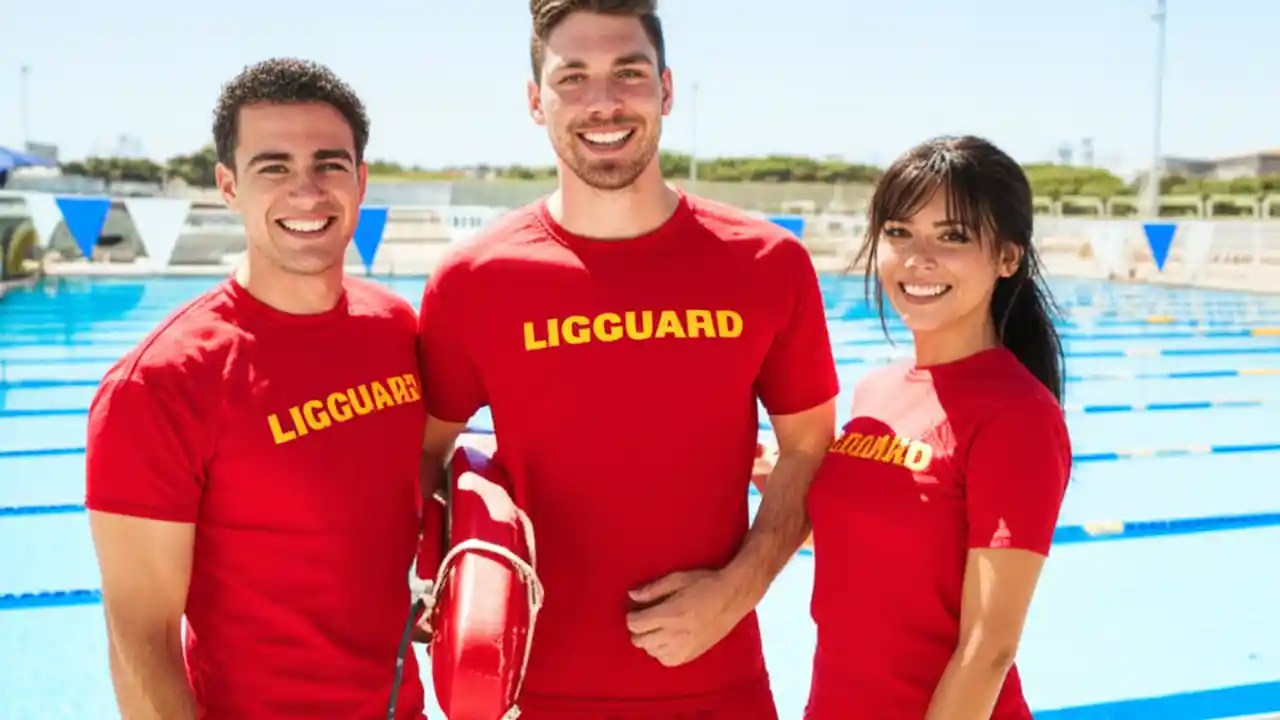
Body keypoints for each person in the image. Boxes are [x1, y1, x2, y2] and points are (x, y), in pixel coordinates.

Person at [414, 0, 838, 717]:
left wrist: (741, 586)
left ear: (667, 90)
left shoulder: (767, 264)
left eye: (629, 73)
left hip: (719, 690)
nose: (603, 102)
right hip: (530, 696)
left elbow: (810, 447)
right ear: (534, 100)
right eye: (572, 77)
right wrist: (440, 579)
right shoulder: (474, 280)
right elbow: (422, 458)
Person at [84, 58, 429, 720]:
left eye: (330, 164)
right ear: (227, 186)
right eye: (273, 167)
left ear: (360, 181)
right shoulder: (159, 386)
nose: (307, 192)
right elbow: (141, 640)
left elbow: (387, 499)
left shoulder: (395, 330)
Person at [801, 135, 1072, 719]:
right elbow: (875, 555)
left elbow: (988, 648)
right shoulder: (877, 392)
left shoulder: (1017, 416)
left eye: (952, 236)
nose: (917, 258)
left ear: (1007, 257)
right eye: (899, 232)